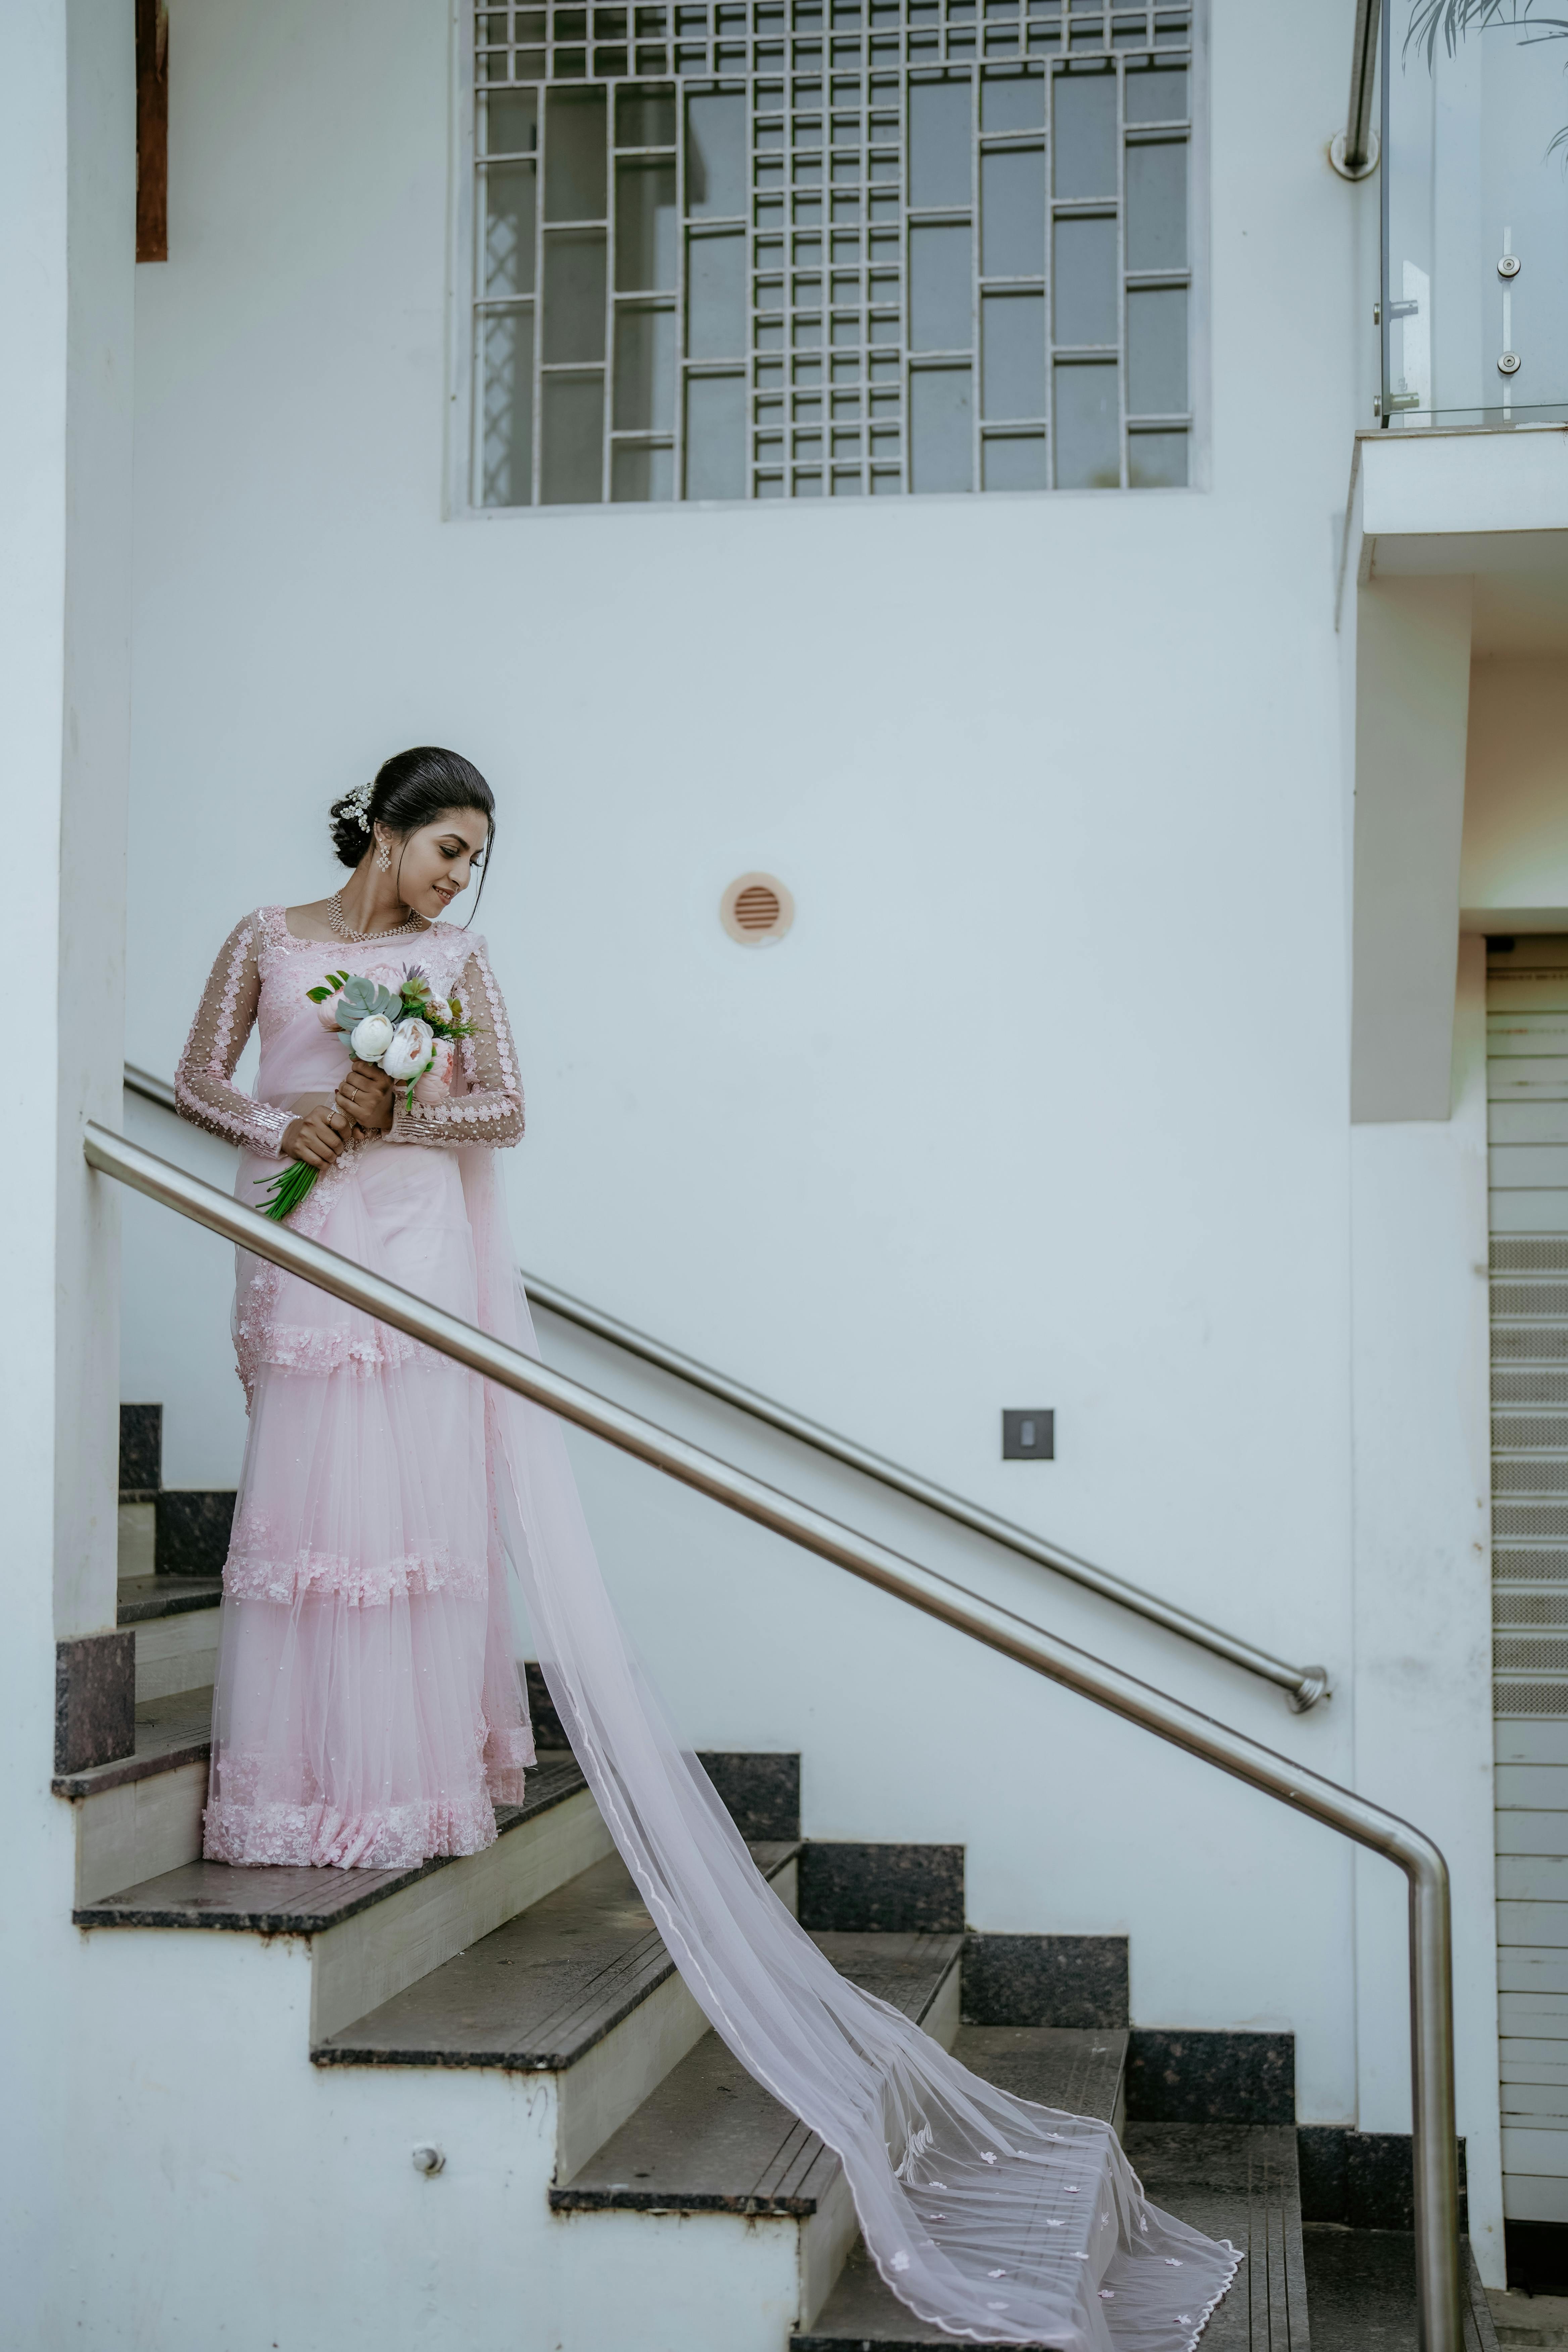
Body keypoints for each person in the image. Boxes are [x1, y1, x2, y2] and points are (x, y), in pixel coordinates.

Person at [174, 746, 1238, 2346]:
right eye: (446, 848)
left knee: (411, 1526)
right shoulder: (267, 937)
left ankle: (399, 1784)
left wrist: (399, 1111)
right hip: (310, 1225)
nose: (460, 879)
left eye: (476, 860)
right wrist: (300, 1115)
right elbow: (198, 1079)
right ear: (380, 831)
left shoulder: (461, 964)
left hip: (412, 1240)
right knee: (312, 1522)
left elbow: (508, 1106)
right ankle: (301, 1781)